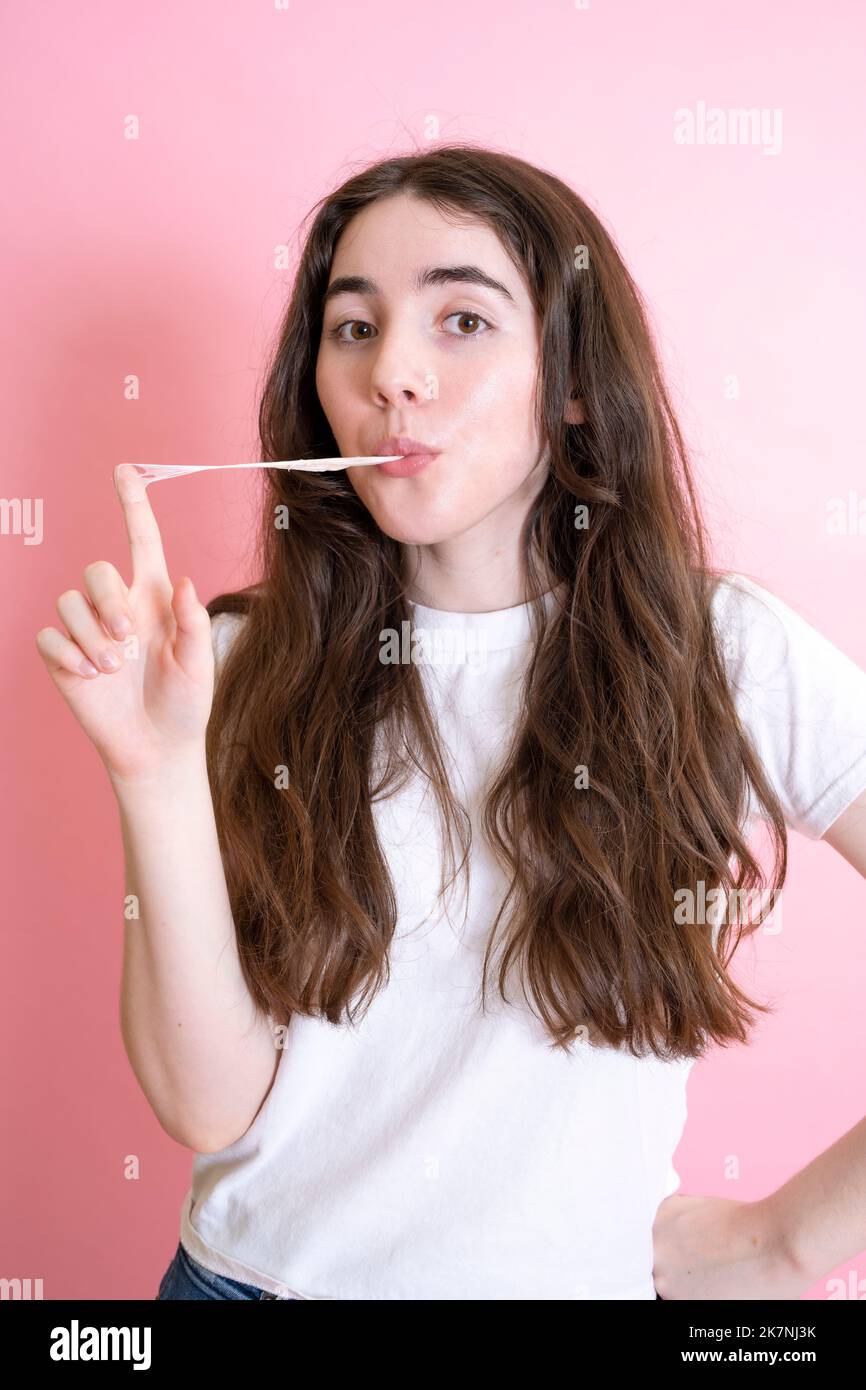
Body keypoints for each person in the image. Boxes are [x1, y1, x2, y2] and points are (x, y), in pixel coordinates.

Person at [36, 144, 866, 1301]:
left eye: (461, 321)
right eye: (353, 327)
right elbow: (207, 1105)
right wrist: (152, 766)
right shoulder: (222, 663)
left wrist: (784, 1242)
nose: (394, 376)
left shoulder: (723, 654)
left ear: (573, 383)